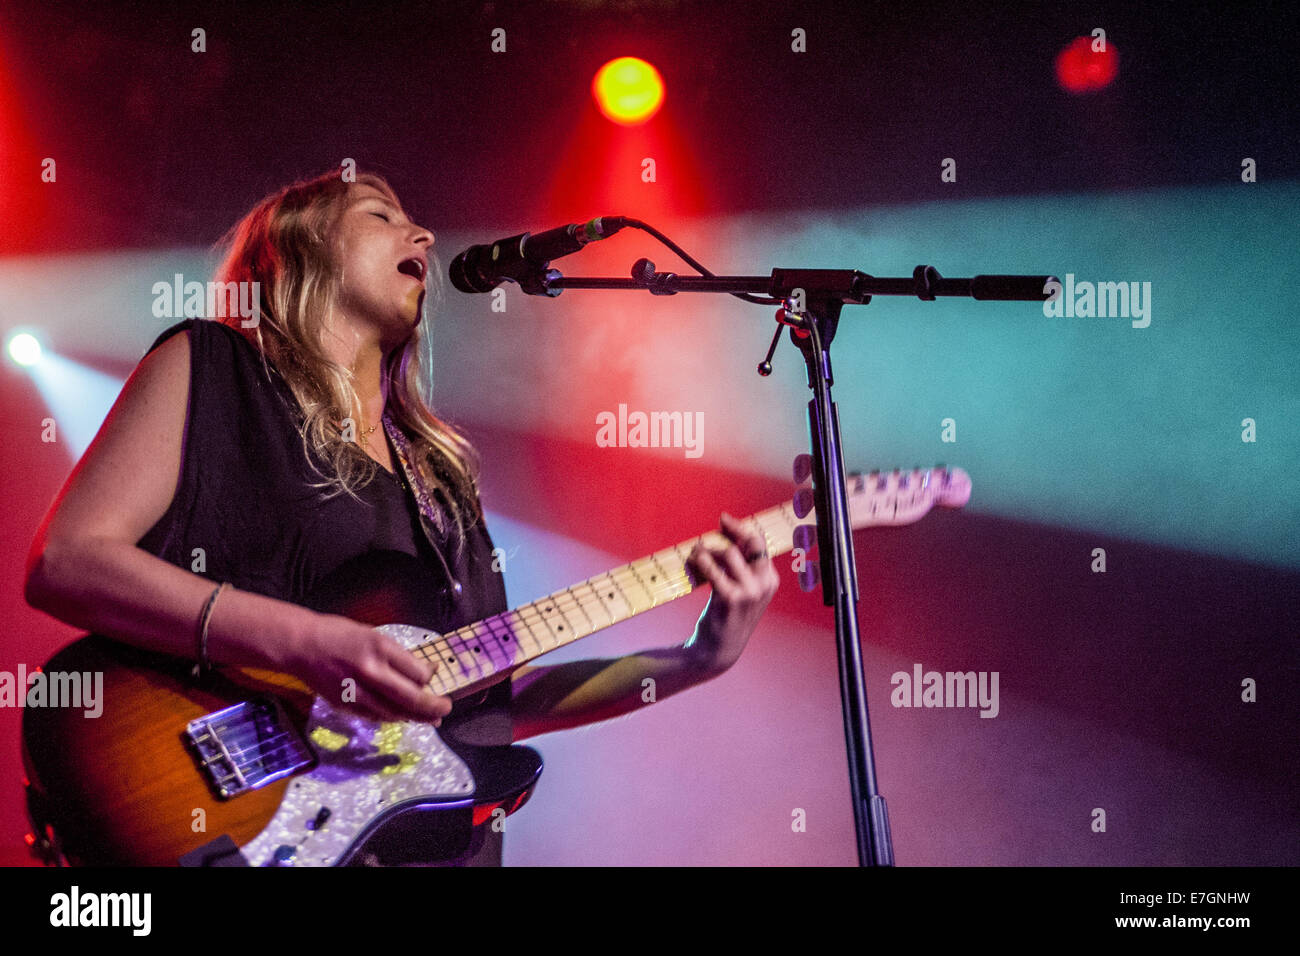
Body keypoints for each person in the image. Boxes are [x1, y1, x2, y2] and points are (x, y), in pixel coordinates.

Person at [23, 168, 780, 866]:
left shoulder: (441, 472)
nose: (422, 235)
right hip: (221, 809)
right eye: (382, 215)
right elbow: (68, 560)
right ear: (297, 247)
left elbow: (489, 706)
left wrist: (695, 659)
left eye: (417, 222)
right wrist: (304, 643)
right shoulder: (213, 369)